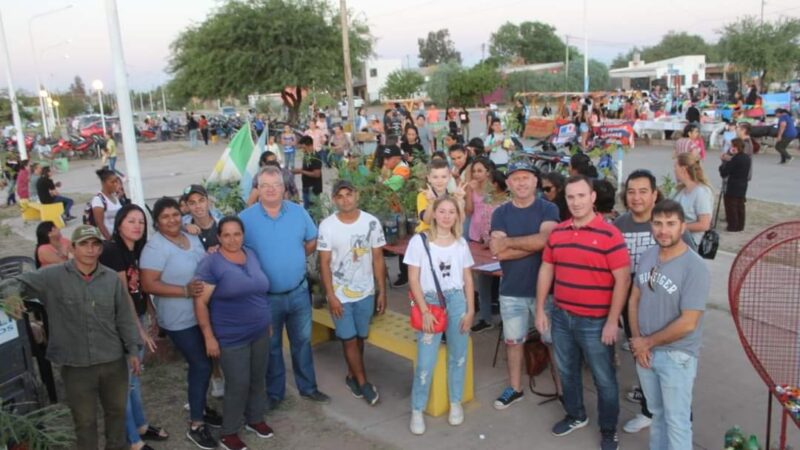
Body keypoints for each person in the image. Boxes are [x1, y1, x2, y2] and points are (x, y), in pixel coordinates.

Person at [0, 225, 140, 450]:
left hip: (112, 361)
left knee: (117, 414)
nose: (90, 250)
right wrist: (12, 297)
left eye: (95, 244)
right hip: (76, 365)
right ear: (72, 248)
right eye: (84, 244)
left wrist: (133, 349)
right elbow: (12, 283)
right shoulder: (52, 276)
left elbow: (124, 317)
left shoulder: (111, 278)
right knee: (84, 422)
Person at [536, 175, 631, 450]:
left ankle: (608, 429)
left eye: (581, 196)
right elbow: (547, 269)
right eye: (570, 197)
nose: (576, 202)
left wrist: (613, 322)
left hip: (596, 321)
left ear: (592, 198)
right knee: (567, 371)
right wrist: (541, 307)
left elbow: (622, 280)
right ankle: (576, 415)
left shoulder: (609, 234)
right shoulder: (559, 232)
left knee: (604, 379)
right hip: (562, 316)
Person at [239, 166, 330, 409]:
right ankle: (275, 394)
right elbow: (234, 250)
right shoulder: (245, 219)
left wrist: (299, 255)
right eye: (265, 185)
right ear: (257, 189)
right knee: (272, 347)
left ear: (283, 188)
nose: (270, 190)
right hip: (265, 298)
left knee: (302, 342)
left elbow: (312, 239)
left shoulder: (298, 213)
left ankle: (308, 387)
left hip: (299, 292)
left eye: (275, 185)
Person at [628, 200, 710, 450]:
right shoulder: (648, 255)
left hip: (677, 355)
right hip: (645, 353)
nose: (664, 230)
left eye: (671, 224)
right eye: (658, 223)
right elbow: (634, 298)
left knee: (677, 420)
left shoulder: (695, 267)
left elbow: (688, 322)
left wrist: (646, 343)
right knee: (658, 415)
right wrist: (637, 341)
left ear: (683, 226)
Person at [140, 197, 220, 450]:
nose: (172, 220)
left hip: (202, 312)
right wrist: (185, 291)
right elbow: (149, 284)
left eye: (175, 214)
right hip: (178, 319)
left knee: (205, 363)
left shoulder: (191, 237)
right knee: (200, 363)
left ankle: (202, 407)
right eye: (165, 216)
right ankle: (196, 424)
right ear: (157, 222)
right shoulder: (155, 248)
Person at [194, 217, 275, 450]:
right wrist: (209, 336)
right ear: (218, 237)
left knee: (258, 378)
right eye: (226, 235)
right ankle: (229, 432)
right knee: (238, 383)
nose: (232, 239)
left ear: (243, 235)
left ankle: (255, 419)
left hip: (259, 330)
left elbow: (261, 291)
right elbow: (200, 303)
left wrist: (267, 319)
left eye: (237, 234)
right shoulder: (211, 263)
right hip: (231, 336)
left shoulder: (251, 254)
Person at [489, 160, 560, 409]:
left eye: (526, 177)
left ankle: (564, 391)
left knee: (553, 342)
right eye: (515, 178)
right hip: (512, 290)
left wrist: (511, 243)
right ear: (508, 183)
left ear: (535, 182)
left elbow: (547, 241)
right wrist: (534, 244)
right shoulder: (500, 212)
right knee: (513, 342)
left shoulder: (548, 209)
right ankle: (515, 388)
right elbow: (498, 252)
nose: (521, 182)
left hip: (547, 292)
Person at [99, 204, 169, 450]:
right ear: (119, 224)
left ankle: (140, 425)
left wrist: (151, 312)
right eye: (131, 221)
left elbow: (138, 288)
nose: (137, 225)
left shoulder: (135, 250)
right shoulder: (112, 250)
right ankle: (132, 440)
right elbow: (123, 295)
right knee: (124, 384)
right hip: (120, 325)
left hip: (136, 319)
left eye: (141, 221)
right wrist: (138, 331)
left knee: (134, 379)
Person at [405, 196, 476, 435]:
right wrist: (424, 310)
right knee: (425, 361)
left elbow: (467, 278)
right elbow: (413, 279)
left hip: (456, 301)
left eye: (451, 212)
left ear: (457, 216)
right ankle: (417, 408)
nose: (446, 216)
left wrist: (470, 309)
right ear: (434, 214)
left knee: (458, 355)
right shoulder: (419, 241)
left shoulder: (460, 243)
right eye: (442, 211)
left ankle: (455, 401)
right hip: (430, 302)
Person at [318, 180, 387, 406]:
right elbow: (325, 264)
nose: (345, 199)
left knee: (359, 338)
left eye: (349, 194)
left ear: (356, 195)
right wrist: (331, 296)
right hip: (340, 296)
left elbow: (378, 258)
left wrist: (381, 291)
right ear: (334, 200)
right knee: (348, 340)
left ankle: (351, 376)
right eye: (340, 196)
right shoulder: (328, 226)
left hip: (365, 292)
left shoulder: (371, 223)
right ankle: (364, 382)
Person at [465, 159, 507, 332]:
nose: (476, 174)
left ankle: (504, 317)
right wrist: (468, 190)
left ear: (489, 172)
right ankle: (485, 317)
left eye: (480, 170)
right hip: (478, 236)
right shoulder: (472, 187)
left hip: (498, 241)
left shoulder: (497, 191)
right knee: (482, 279)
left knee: (503, 280)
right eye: (474, 171)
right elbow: (470, 211)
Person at [672, 153, 713, 246]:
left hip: (690, 241)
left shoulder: (701, 192)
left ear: (683, 169)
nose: (674, 170)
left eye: (675, 167)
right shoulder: (680, 190)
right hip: (677, 238)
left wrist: (678, 227)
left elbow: (704, 224)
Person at [719, 138, 751, 232]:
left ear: (735, 147)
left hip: (733, 185)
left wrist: (724, 162)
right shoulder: (746, 158)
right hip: (743, 184)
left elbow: (724, 172)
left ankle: (732, 226)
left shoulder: (736, 159)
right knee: (740, 205)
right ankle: (740, 225)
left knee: (731, 206)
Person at [181, 184, 222, 252]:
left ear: (208, 201)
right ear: (187, 206)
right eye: (192, 203)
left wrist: (221, 250)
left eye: (201, 200)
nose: (198, 206)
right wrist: (184, 226)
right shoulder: (183, 222)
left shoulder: (221, 220)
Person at [91, 169, 124, 240]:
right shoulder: (98, 200)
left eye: (116, 181)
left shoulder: (114, 196)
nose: (115, 184)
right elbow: (100, 224)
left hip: (120, 237)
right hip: (109, 239)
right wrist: (110, 240)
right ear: (103, 183)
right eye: (112, 182)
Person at [293, 136, 323, 210]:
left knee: (313, 211)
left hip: (313, 188)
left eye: (303, 148)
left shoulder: (315, 157)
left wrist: (301, 171)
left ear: (309, 145)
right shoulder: (306, 155)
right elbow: (308, 169)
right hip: (306, 187)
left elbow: (316, 174)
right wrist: (297, 171)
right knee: (307, 209)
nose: (302, 150)